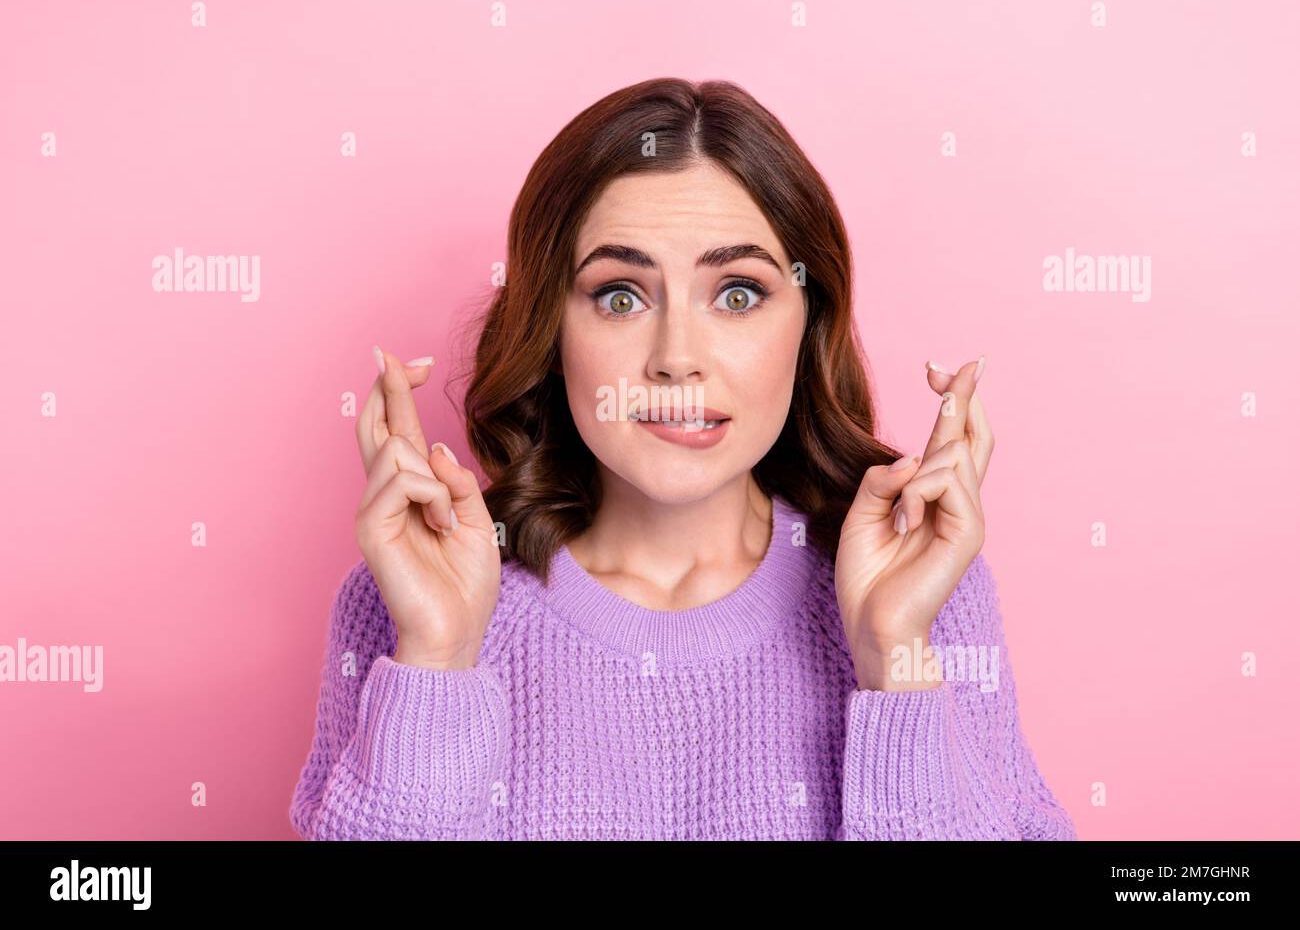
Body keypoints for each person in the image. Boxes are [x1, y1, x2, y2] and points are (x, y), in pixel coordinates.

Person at [288, 77, 1076, 840]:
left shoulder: (929, 594)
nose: (676, 359)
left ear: (810, 326)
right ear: (550, 333)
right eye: (620, 295)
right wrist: (439, 660)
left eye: (737, 294)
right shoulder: (409, 597)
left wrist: (894, 658)